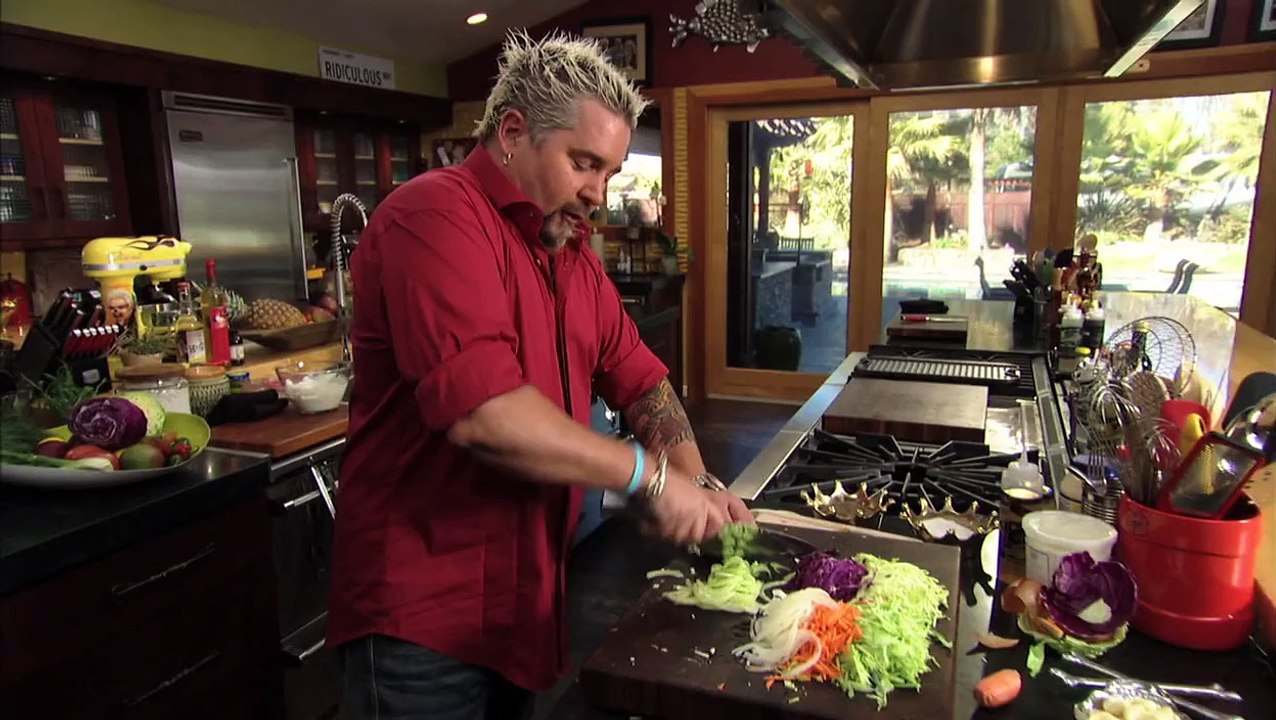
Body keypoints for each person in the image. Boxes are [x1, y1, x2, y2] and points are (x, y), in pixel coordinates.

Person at [328, 29, 753, 720]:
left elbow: (640, 380)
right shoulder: (434, 217)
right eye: (584, 163)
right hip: (422, 617)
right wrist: (648, 477)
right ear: (513, 133)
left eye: (610, 172)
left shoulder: (569, 252)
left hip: (524, 601)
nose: (598, 193)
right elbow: (486, 416)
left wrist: (698, 486)